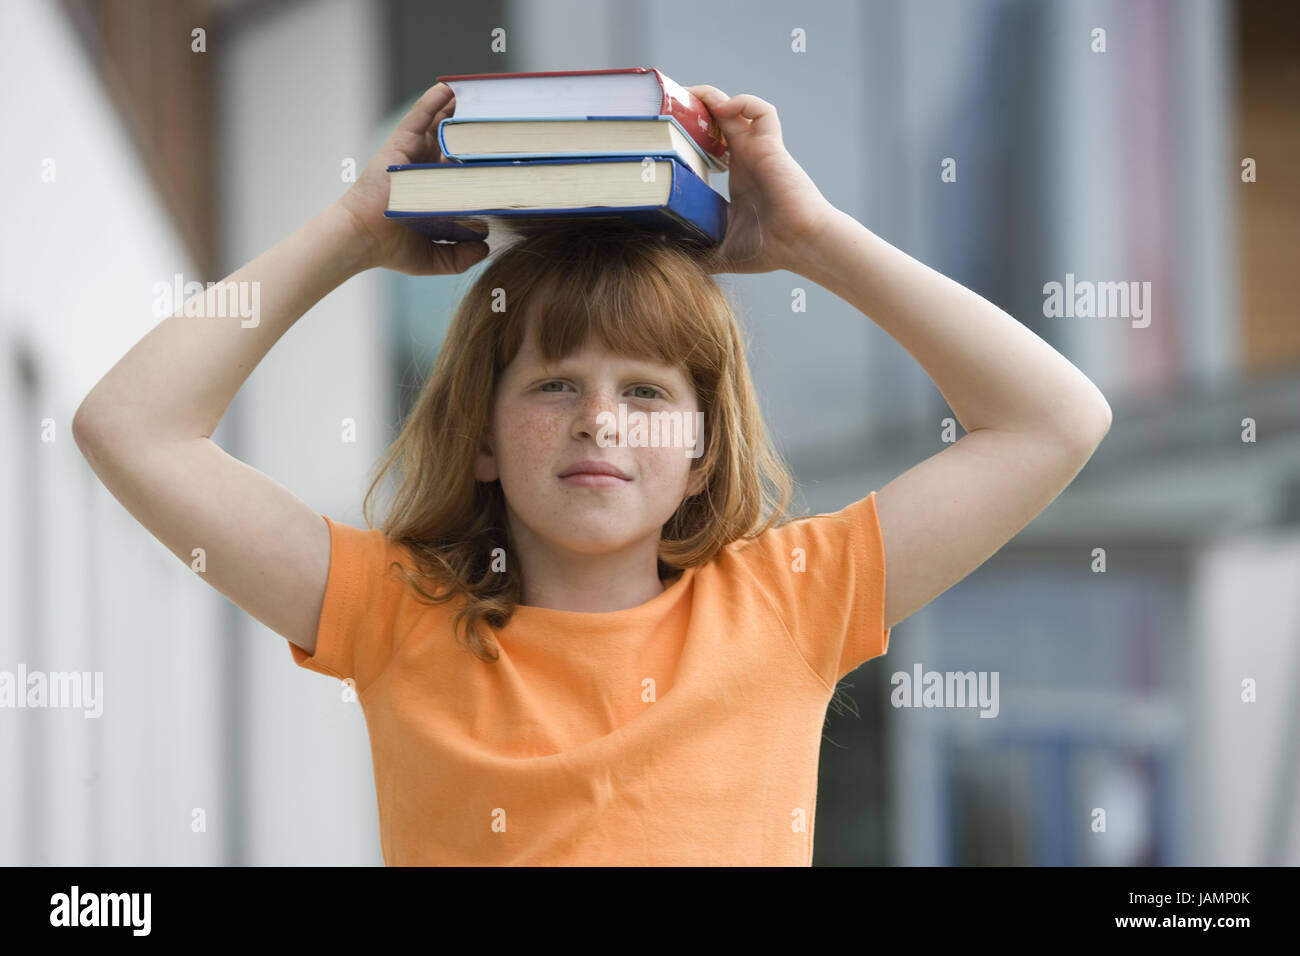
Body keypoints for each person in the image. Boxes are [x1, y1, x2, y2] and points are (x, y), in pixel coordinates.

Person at [72, 82, 1111, 865]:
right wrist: (348, 233)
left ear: (704, 451)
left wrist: (810, 239)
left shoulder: (793, 602)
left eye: (648, 393)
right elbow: (132, 427)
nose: (599, 421)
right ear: (481, 435)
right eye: (554, 386)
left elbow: (1054, 417)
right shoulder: (393, 613)